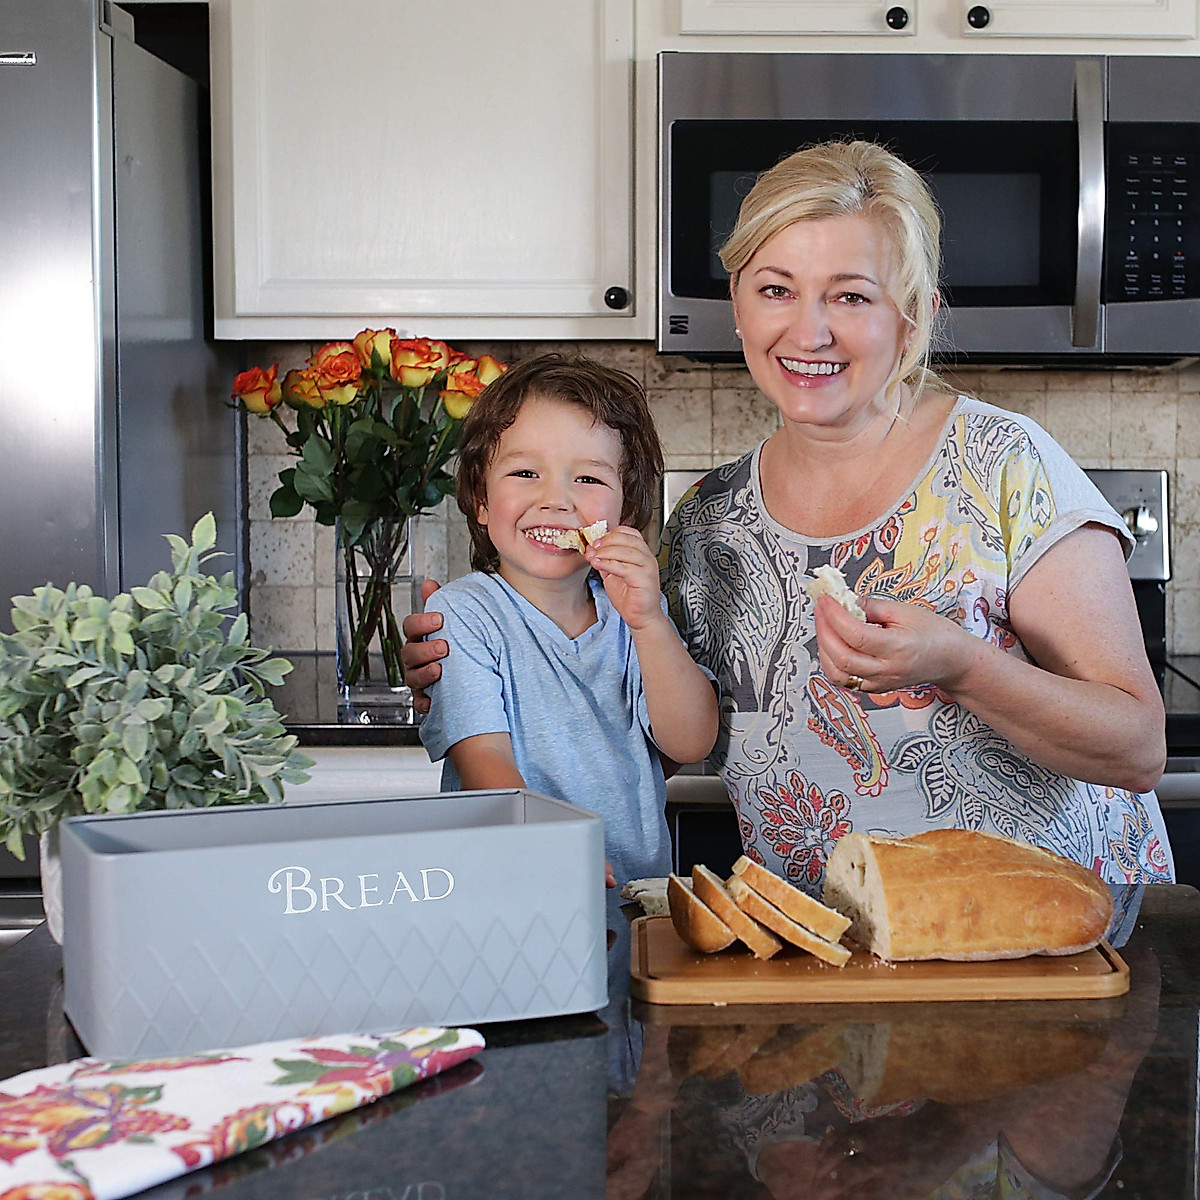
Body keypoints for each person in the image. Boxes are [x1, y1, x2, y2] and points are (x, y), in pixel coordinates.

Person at [405, 140, 1173, 894]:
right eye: (776, 290)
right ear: (737, 303)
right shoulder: (709, 520)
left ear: (914, 318)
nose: (809, 332)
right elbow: (652, 734)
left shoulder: (1005, 463)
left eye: (851, 296)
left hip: (1035, 948)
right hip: (813, 963)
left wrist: (963, 664)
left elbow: (1137, 749)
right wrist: (477, 665)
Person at [416, 353, 719, 890]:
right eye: (525, 472)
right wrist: (550, 849)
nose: (556, 499)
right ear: (481, 499)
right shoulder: (465, 615)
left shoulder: (633, 617)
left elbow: (689, 743)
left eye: (587, 478)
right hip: (517, 893)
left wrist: (650, 623)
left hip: (635, 904)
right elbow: (484, 760)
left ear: (624, 511)